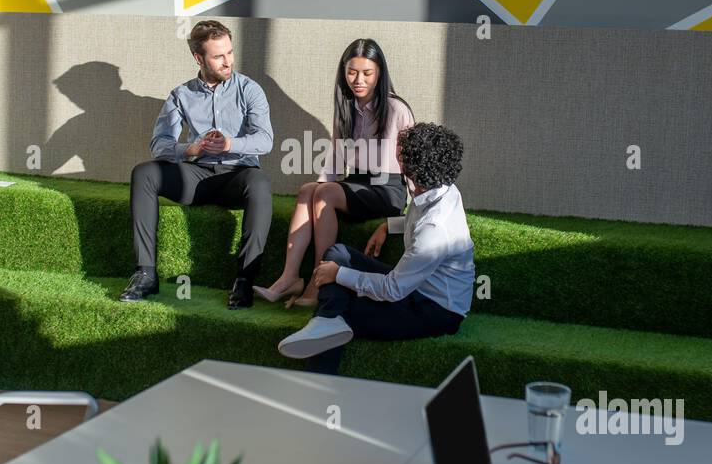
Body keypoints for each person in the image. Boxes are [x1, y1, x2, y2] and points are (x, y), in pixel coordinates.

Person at [277, 122, 474, 372]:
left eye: (401, 157)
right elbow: (419, 219)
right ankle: (326, 321)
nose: (396, 160)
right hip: (414, 285)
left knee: (342, 307)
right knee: (337, 253)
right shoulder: (441, 187)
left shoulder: (434, 230)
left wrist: (339, 275)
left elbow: (393, 289)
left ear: (414, 167)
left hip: (433, 309)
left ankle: (319, 370)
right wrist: (388, 226)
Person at [120, 20, 273, 308]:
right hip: (196, 175)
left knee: (261, 183)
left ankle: (244, 280)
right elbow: (159, 144)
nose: (228, 61)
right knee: (144, 173)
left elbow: (265, 141)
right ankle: (145, 274)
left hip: (237, 176)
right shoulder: (181, 95)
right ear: (199, 58)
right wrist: (190, 148)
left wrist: (231, 144)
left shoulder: (250, 90)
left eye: (229, 52)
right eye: (218, 56)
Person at [254, 38, 413, 308]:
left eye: (367, 73)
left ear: (380, 74)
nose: (358, 80)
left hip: (387, 189)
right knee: (309, 189)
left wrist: (410, 209)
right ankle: (289, 277)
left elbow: (412, 161)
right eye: (352, 72)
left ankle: (318, 283)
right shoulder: (347, 106)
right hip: (357, 182)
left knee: (325, 191)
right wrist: (316, 190)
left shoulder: (397, 108)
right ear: (343, 72)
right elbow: (336, 159)